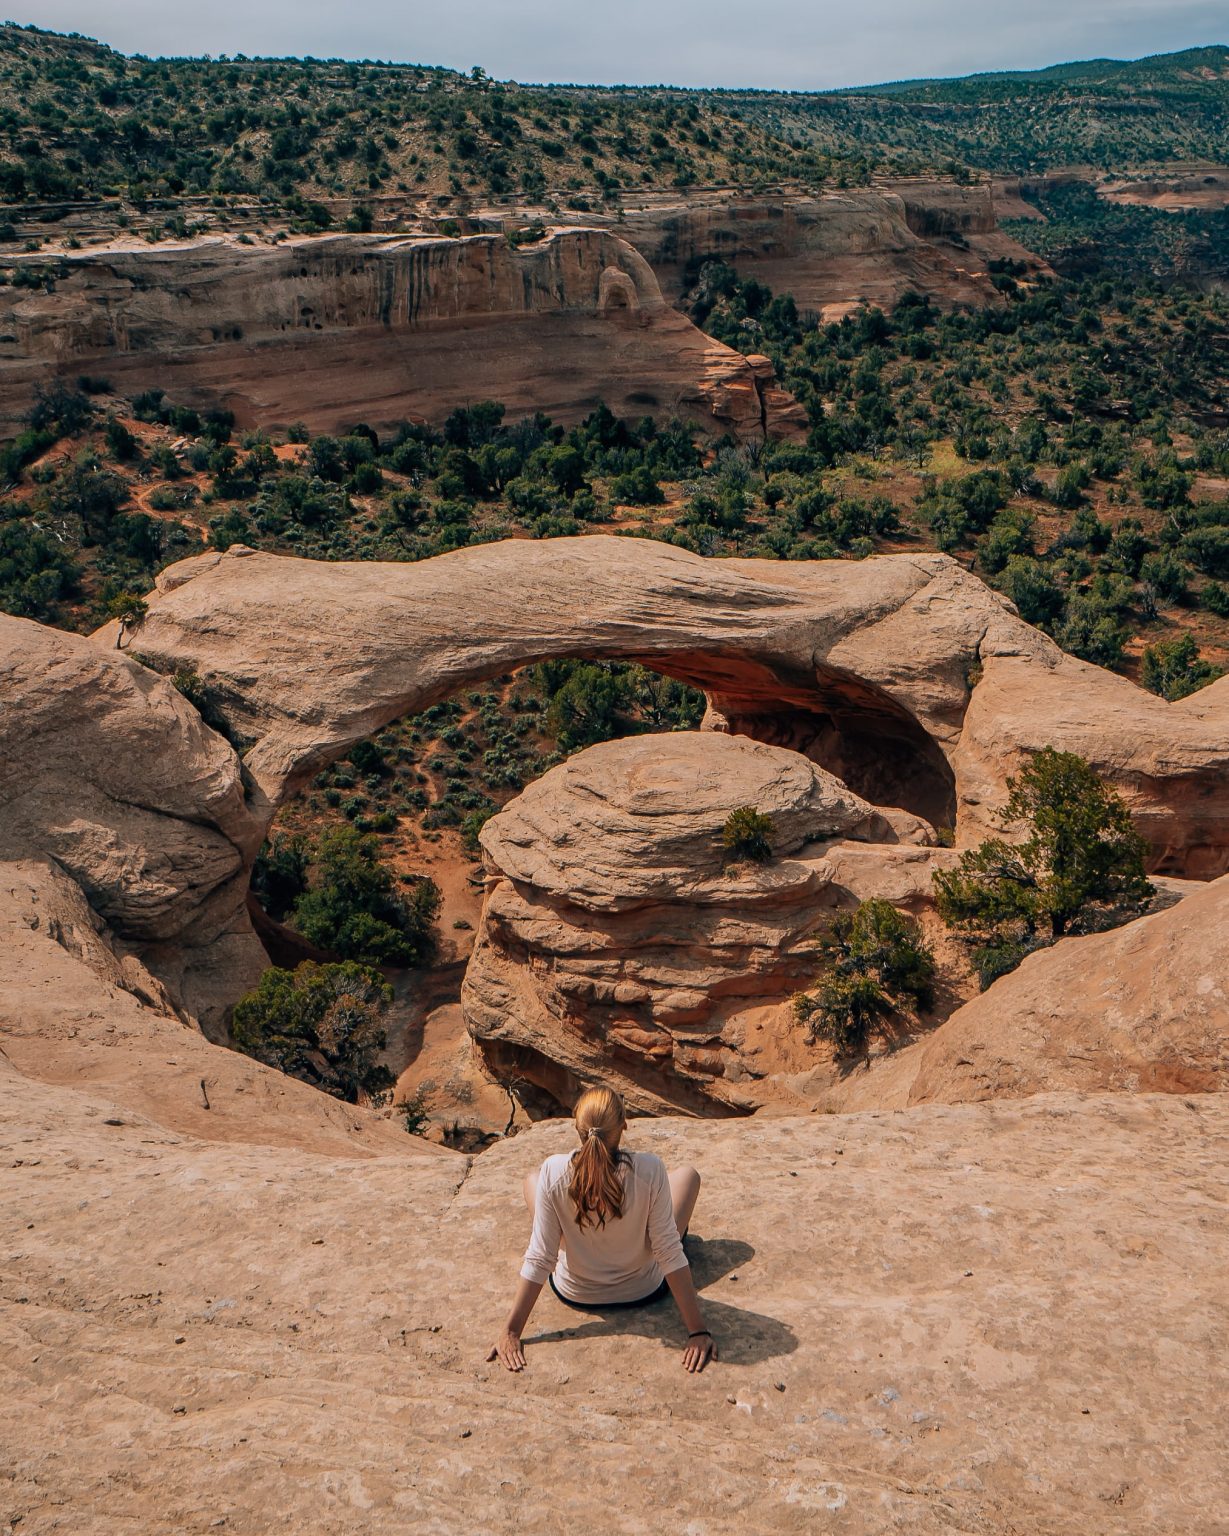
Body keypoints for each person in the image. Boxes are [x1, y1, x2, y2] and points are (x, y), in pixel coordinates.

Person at [487, 1086, 716, 1373]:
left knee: (532, 1181)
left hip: (576, 1291)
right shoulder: (650, 1169)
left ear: (577, 1127)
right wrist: (697, 1331)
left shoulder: (553, 1170)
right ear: (624, 1125)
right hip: (643, 1288)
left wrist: (511, 1331)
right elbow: (668, 1250)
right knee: (686, 1176)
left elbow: (541, 1256)